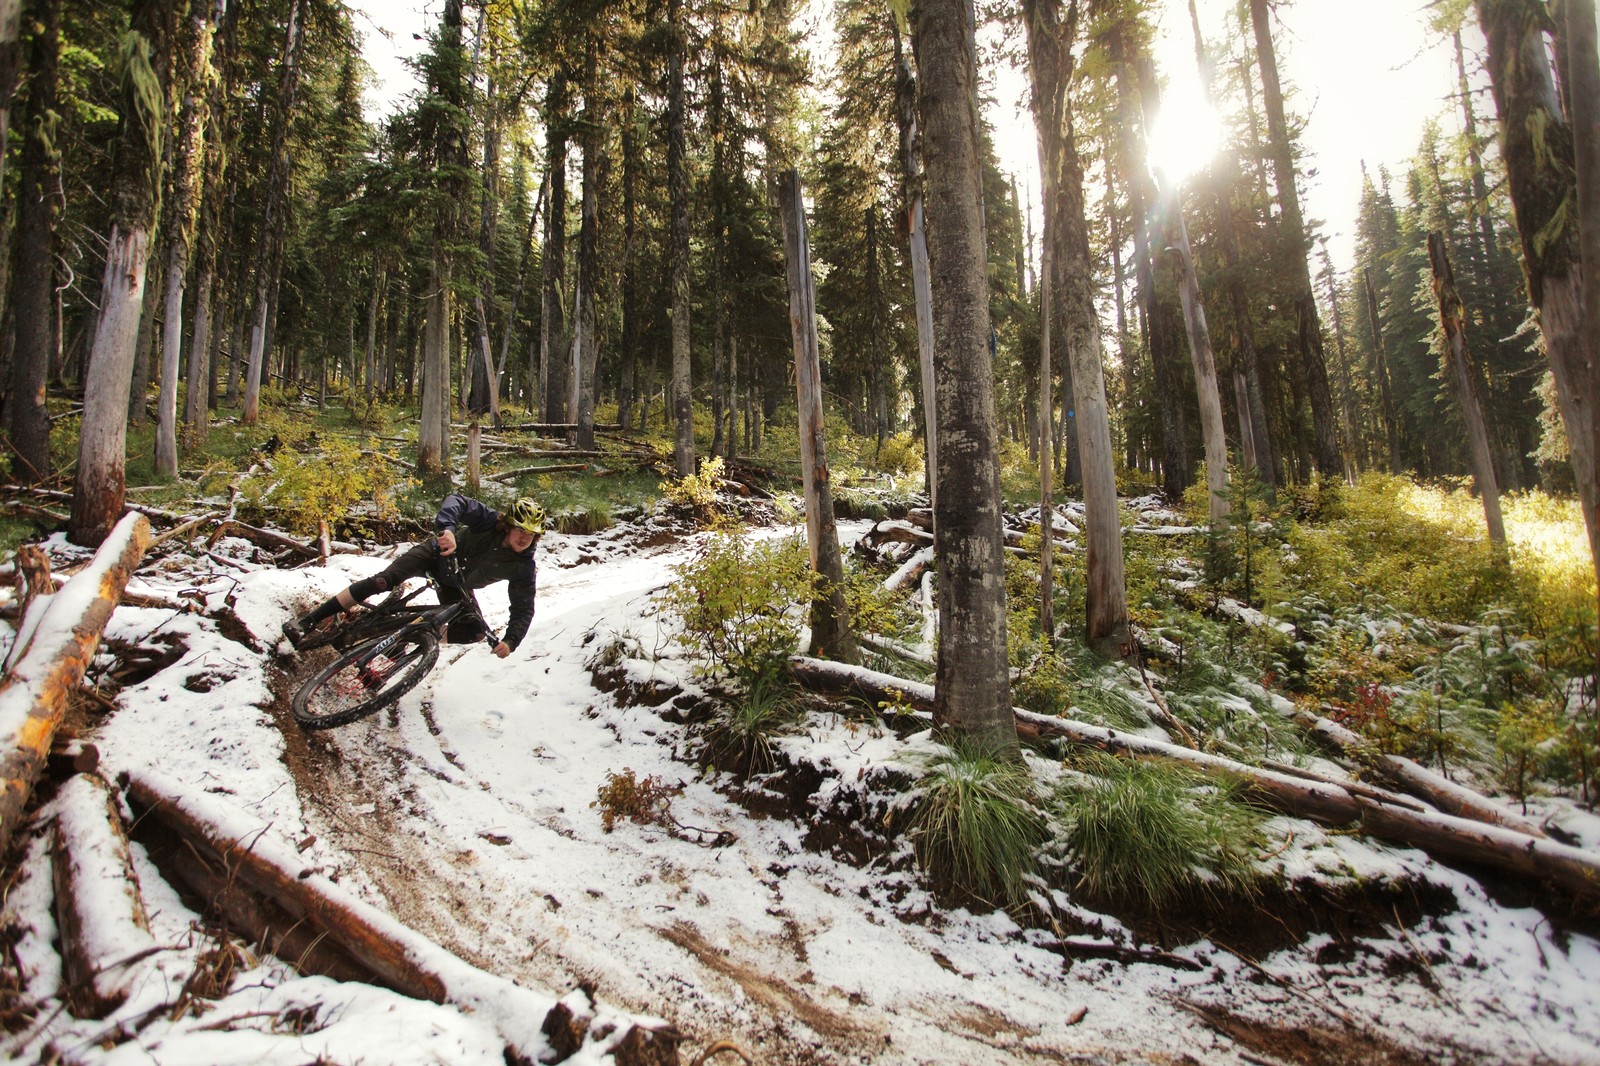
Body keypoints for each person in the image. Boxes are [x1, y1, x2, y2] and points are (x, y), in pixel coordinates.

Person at [283, 494, 544, 659]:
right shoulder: (489, 521)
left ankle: (400, 635)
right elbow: (457, 501)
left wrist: (511, 641)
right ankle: (309, 620)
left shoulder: (523, 566)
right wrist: (448, 530)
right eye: (520, 530)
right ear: (508, 526)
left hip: (456, 584)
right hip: (436, 555)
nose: (524, 538)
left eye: (530, 534)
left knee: (473, 632)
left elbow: (524, 608)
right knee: (383, 581)